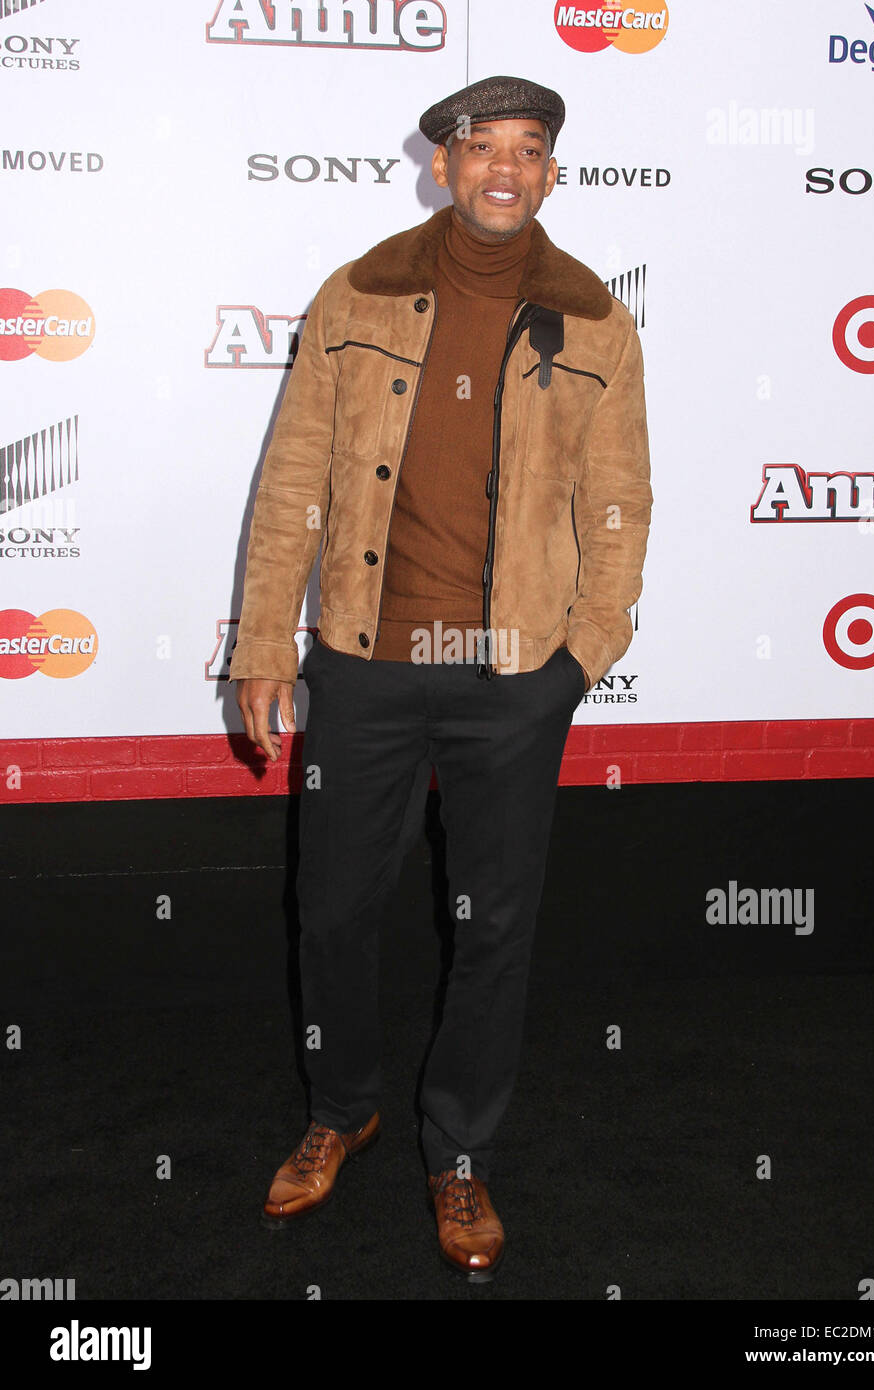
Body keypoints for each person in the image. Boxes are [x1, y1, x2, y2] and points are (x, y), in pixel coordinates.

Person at [230, 74, 652, 1282]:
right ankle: (341, 1103)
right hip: (363, 663)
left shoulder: (594, 321)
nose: (504, 168)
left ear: (553, 173)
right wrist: (267, 635)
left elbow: (620, 499)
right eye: (482, 147)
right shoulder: (358, 292)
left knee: (495, 929)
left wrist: (581, 656)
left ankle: (458, 1149)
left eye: (530, 149)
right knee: (334, 909)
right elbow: (293, 471)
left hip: (512, 679)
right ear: (443, 165)